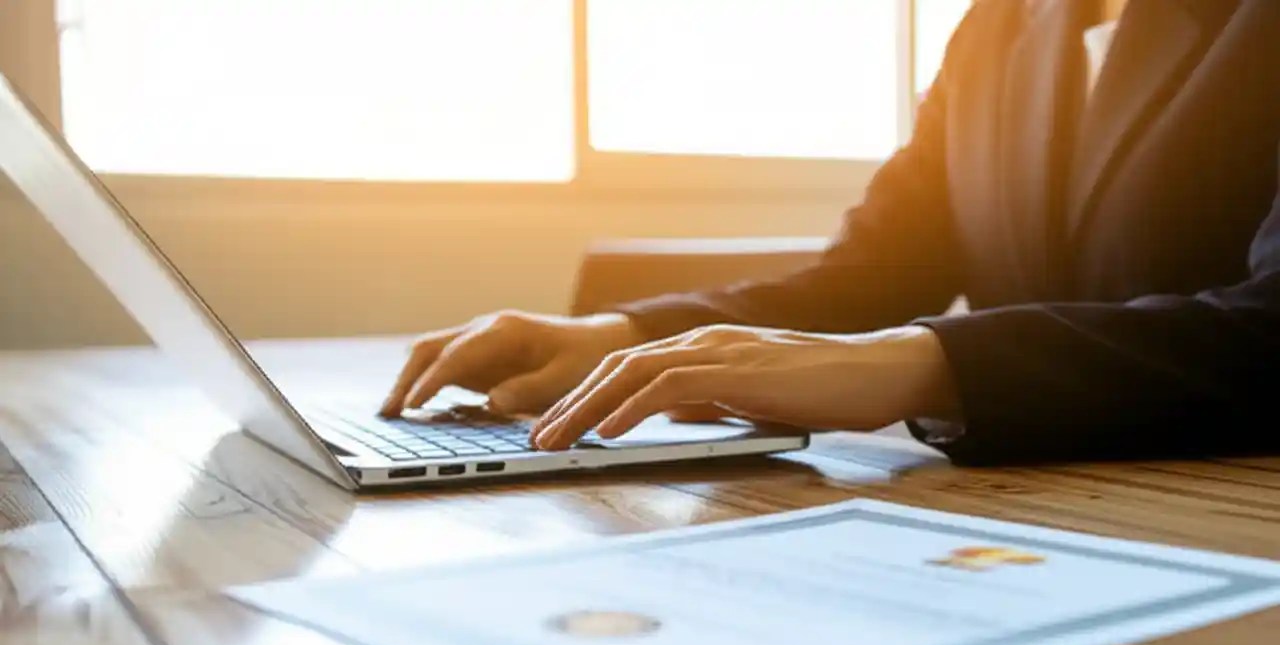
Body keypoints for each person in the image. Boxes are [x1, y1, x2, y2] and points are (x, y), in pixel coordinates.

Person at [383, 0, 1280, 465]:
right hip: (1031, 513)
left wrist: (919, 363)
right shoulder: (996, 26)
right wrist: (616, 338)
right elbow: (872, 272)